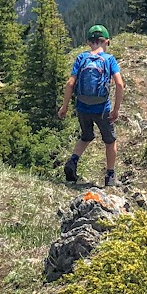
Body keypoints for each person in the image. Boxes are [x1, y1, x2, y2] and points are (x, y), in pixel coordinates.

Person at [60, 24, 124, 187]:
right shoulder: (109, 60)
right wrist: (116, 109)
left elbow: (70, 83)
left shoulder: (81, 58)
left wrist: (65, 107)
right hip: (102, 108)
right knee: (110, 141)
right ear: (106, 42)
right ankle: (110, 176)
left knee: (86, 136)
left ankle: (73, 161)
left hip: (82, 106)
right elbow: (119, 84)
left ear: (89, 42)